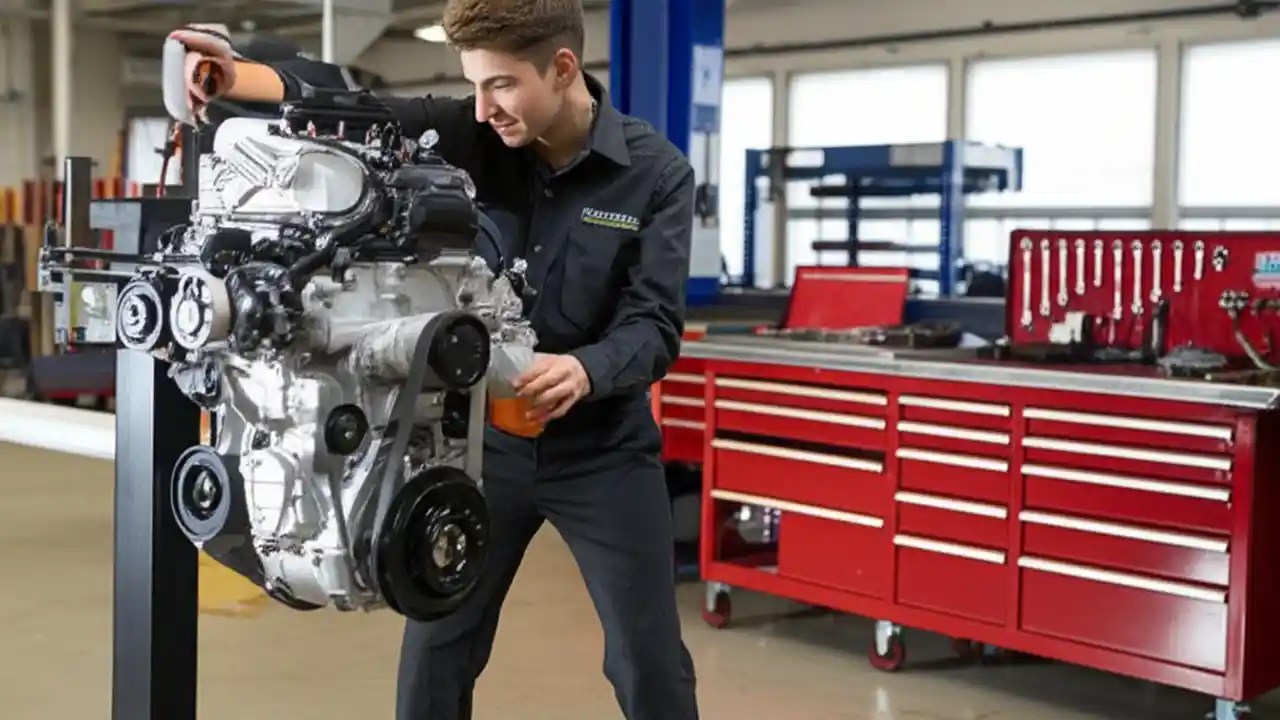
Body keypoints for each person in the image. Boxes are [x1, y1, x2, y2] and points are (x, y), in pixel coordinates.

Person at [168, 1, 700, 719]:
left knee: (649, 662)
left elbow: (655, 325)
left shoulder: (656, 174)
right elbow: (360, 107)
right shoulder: (474, 136)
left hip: (604, 450)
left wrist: (585, 370)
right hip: (483, 446)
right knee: (437, 647)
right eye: (473, 86)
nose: (482, 109)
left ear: (563, 67)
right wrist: (239, 75)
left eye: (501, 86)